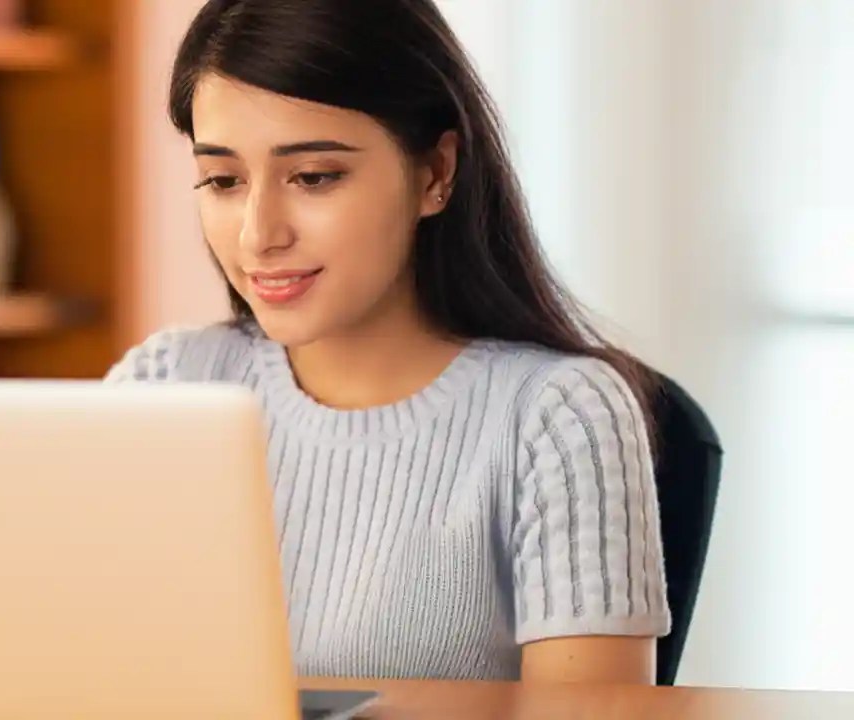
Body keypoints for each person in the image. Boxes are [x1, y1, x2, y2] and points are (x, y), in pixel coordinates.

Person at [106, 0, 670, 684]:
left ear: (435, 173)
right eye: (223, 180)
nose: (260, 234)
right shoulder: (163, 387)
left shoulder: (557, 416)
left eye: (314, 176)